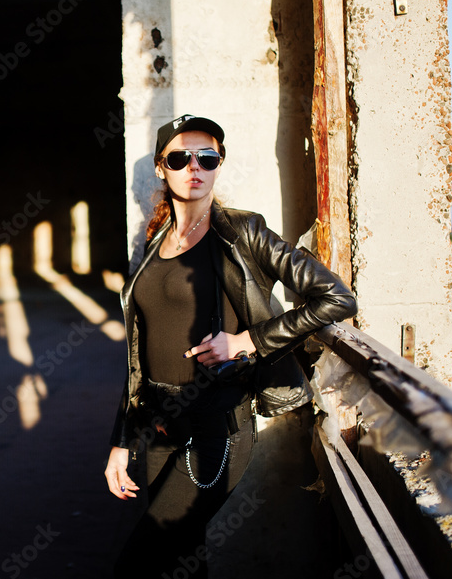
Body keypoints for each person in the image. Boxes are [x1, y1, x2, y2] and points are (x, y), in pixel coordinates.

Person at [103, 114, 357, 578]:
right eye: (179, 158)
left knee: (136, 566)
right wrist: (122, 442)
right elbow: (138, 356)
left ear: (220, 163)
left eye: (207, 157)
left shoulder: (242, 231)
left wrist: (249, 341)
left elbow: (336, 298)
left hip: (214, 430)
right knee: (184, 562)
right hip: (159, 430)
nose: (193, 167)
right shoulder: (156, 243)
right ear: (162, 168)